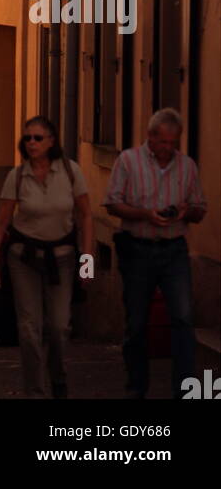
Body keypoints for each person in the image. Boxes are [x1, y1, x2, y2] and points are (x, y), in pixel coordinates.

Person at [0, 115, 93, 399]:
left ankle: (58, 380)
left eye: (37, 138)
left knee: (58, 327)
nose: (31, 143)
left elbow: (85, 215)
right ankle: (35, 392)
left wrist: (88, 262)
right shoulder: (17, 176)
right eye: (27, 138)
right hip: (24, 259)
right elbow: (0, 222)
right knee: (29, 329)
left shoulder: (71, 172)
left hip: (63, 258)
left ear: (51, 142)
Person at [104, 107, 207, 400]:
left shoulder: (187, 166)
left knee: (184, 319)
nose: (168, 148)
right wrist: (146, 214)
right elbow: (112, 203)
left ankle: (185, 390)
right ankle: (137, 387)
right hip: (137, 248)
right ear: (150, 137)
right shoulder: (128, 161)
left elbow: (201, 208)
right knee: (136, 322)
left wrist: (187, 211)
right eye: (163, 142)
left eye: (174, 142)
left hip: (174, 249)